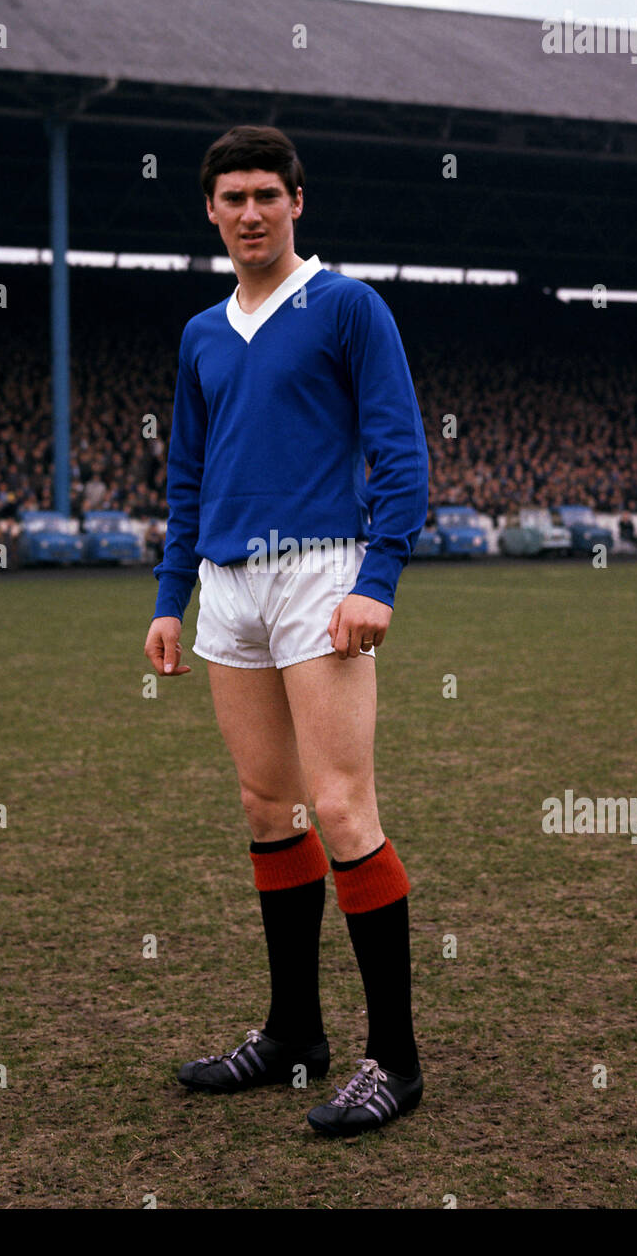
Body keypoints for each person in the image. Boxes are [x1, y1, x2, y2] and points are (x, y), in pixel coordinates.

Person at [143, 125, 430, 1138]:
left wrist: (377, 576)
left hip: (319, 573)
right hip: (225, 585)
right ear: (210, 212)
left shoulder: (347, 305)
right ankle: (292, 1033)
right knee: (269, 805)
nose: (251, 211)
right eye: (233, 196)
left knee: (342, 805)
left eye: (268, 192)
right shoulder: (201, 334)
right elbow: (186, 473)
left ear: (297, 200)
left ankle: (392, 1060)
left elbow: (400, 448)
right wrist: (170, 595)